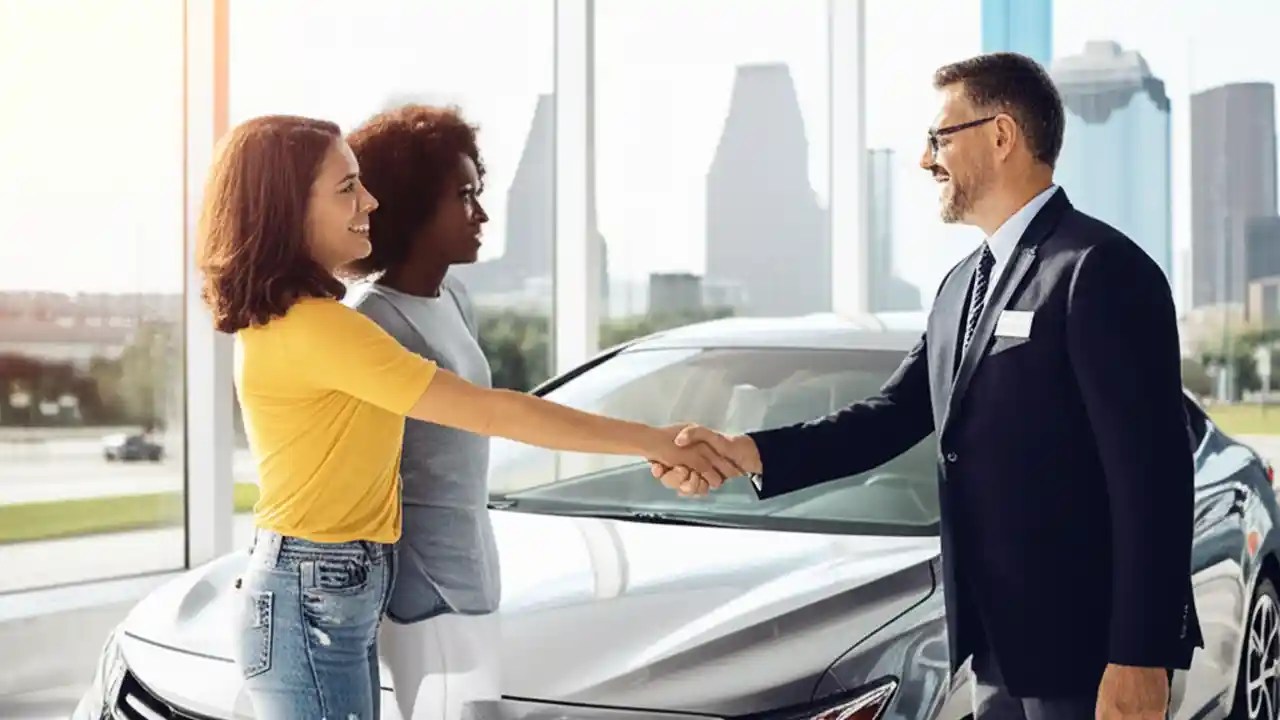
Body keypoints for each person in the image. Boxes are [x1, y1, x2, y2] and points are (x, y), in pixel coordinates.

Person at [653, 52, 1203, 720]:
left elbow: (1153, 480)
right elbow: (890, 416)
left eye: (939, 138)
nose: (925, 160)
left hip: (1088, 653)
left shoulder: (1100, 269)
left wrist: (1141, 656)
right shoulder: (958, 286)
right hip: (996, 648)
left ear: (1001, 136)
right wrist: (746, 451)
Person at [196, 114, 738, 720]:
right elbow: (489, 411)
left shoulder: (304, 321)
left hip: (324, 582)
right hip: (314, 590)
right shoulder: (325, 331)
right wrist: (652, 440)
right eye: (347, 187)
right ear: (286, 208)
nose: (368, 201)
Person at [343, 104, 501, 720]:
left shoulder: (456, 297)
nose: (480, 214)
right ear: (411, 207)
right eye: (464, 196)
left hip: (475, 562)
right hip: (419, 585)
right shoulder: (373, 320)